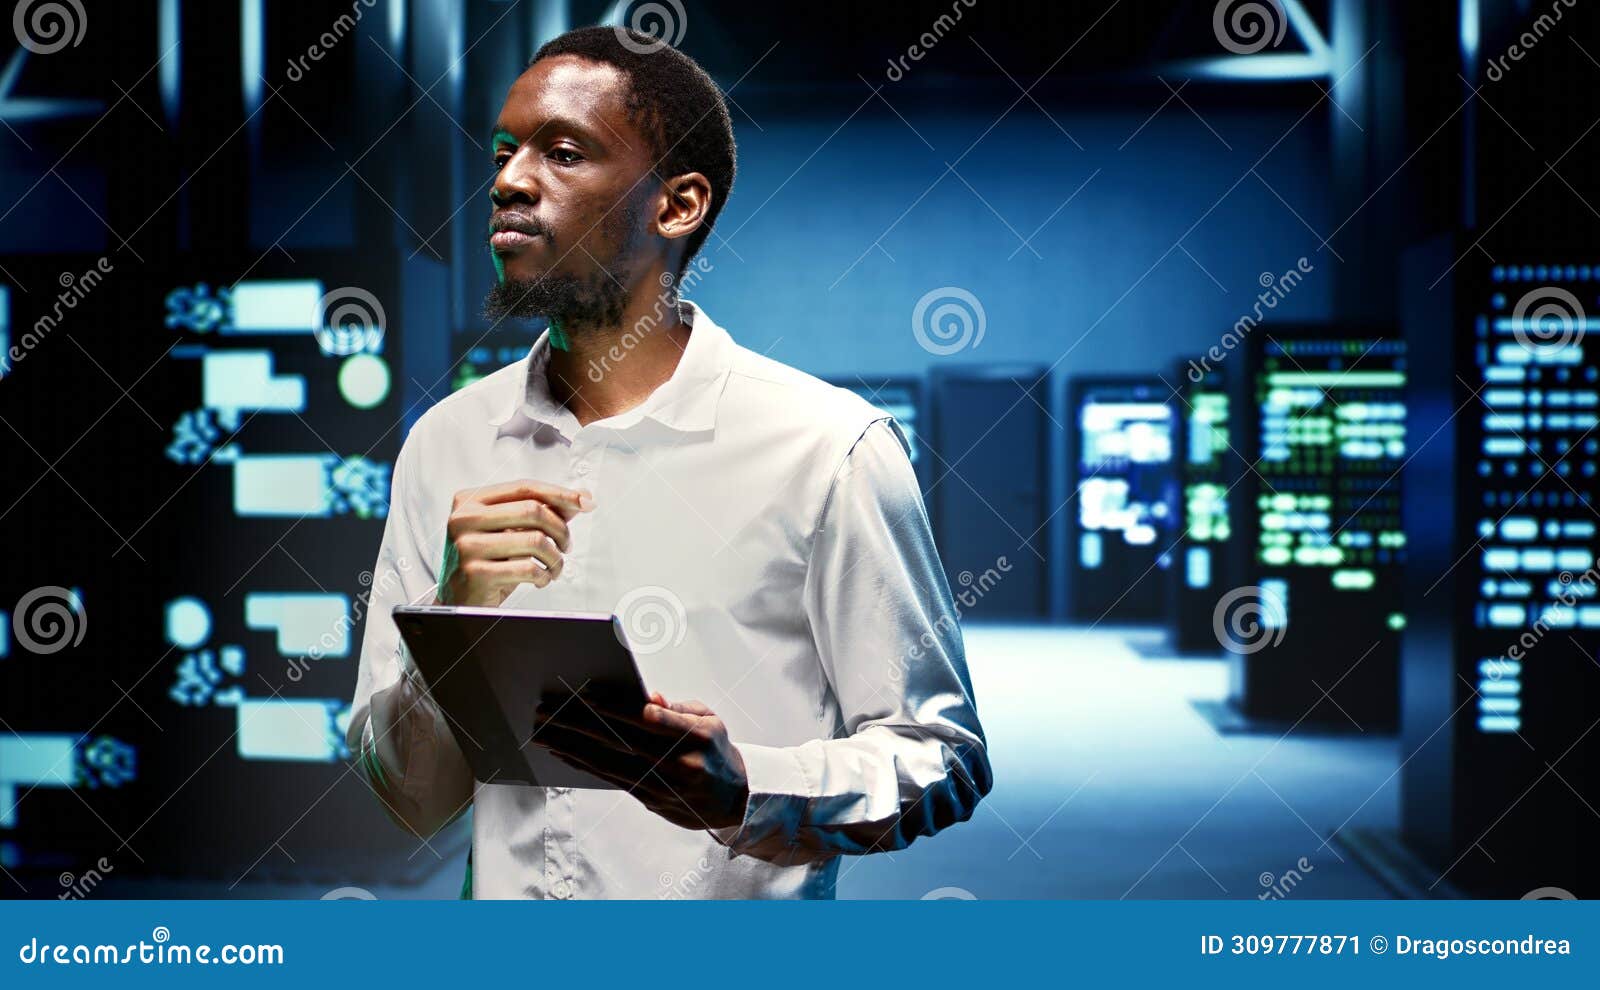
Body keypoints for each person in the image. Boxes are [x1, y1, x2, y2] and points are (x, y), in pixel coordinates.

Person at [347, 25, 990, 899]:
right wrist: (454, 614)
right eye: (503, 153)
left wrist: (748, 789)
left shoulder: (828, 448)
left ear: (678, 206)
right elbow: (410, 800)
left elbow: (940, 757)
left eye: (562, 153)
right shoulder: (446, 443)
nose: (507, 181)